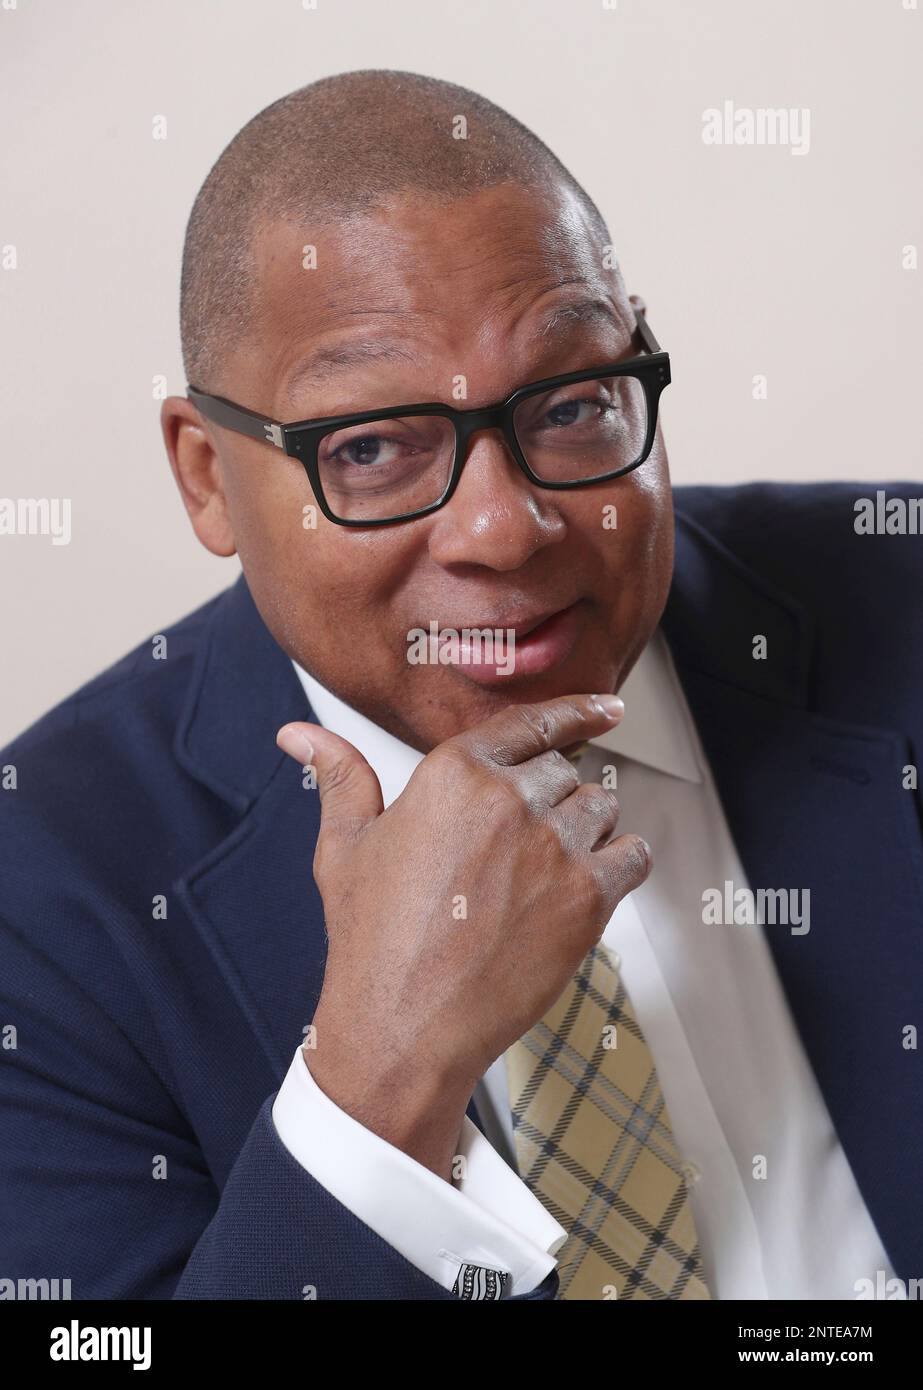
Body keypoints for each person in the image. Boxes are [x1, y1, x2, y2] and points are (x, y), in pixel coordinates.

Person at [1, 69, 920, 1302]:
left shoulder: (895, 601)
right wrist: (372, 1091)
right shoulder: (43, 894)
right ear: (207, 477)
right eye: (370, 448)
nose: (505, 525)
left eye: (568, 403)